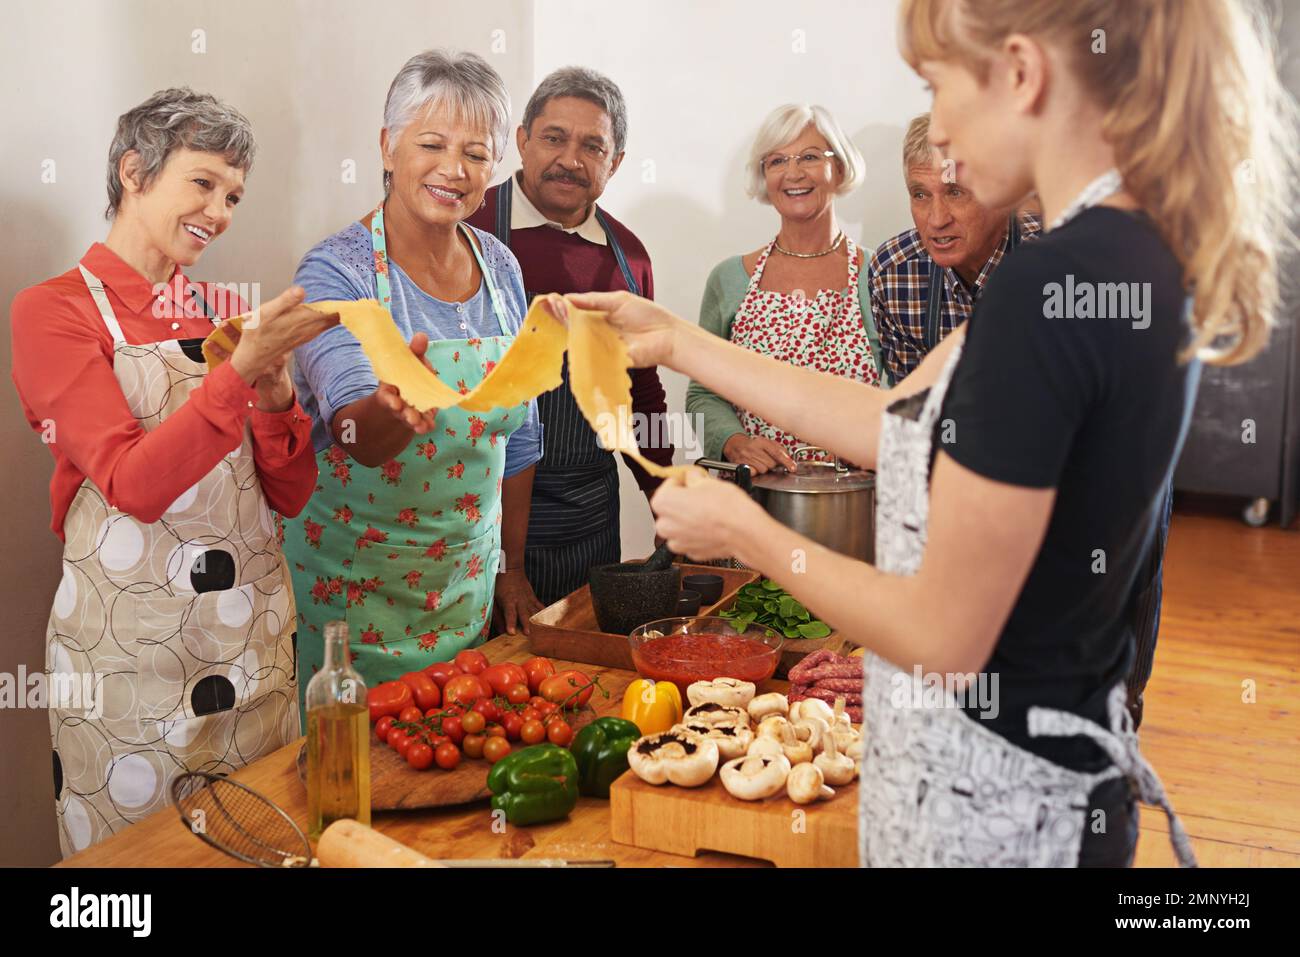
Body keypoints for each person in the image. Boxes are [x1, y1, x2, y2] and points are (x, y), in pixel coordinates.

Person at [565, 0, 1294, 866]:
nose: (939, 125)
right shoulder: (1115, 259)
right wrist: (681, 339)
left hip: (995, 809)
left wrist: (744, 530)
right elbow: (893, 421)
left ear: (1022, 74)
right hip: (1051, 785)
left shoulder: (1045, 290)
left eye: (938, 84)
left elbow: (949, 637)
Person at [9, 88, 336, 856]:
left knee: (264, 844)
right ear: (133, 170)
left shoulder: (224, 313)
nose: (220, 211)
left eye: (233, 195)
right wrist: (240, 372)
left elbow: (289, 493)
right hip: (130, 666)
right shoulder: (52, 312)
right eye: (203, 183)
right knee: (136, 873)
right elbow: (134, 483)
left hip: (252, 653)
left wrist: (278, 393)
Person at [285, 50, 543, 702]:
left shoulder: (502, 270)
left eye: (477, 153)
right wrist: (392, 408)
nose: (455, 169)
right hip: (355, 597)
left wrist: (510, 569)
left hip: (466, 589)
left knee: (452, 770)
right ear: (388, 147)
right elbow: (352, 434)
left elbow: (520, 439)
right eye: (432, 144)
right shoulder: (334, 273)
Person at [467, 67, 674, 608]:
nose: (570, 159)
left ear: (616, 162)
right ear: (521, 141)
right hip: (475, 514)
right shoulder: (470, 225)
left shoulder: (628, 258)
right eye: (554, 138)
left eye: (592, 146)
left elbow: (641, 395)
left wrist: (663, 496)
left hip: (587, 514)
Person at [687, 103, 887, 474]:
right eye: (777, 161)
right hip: (756, 499)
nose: (793, 173)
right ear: (764, 175)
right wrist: (735, 442)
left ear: (839, 167)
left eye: (809, 157)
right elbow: (704, 391)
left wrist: (872, 443)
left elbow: (904, 392)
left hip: (857, 502)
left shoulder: (879, 274)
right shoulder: (730, 279)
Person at [868, 111, 1039, 384]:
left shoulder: (1062, 256)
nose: (937, 220)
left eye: (955, 192)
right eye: (920, 195)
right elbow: (915, 406)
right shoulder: (893, 273)